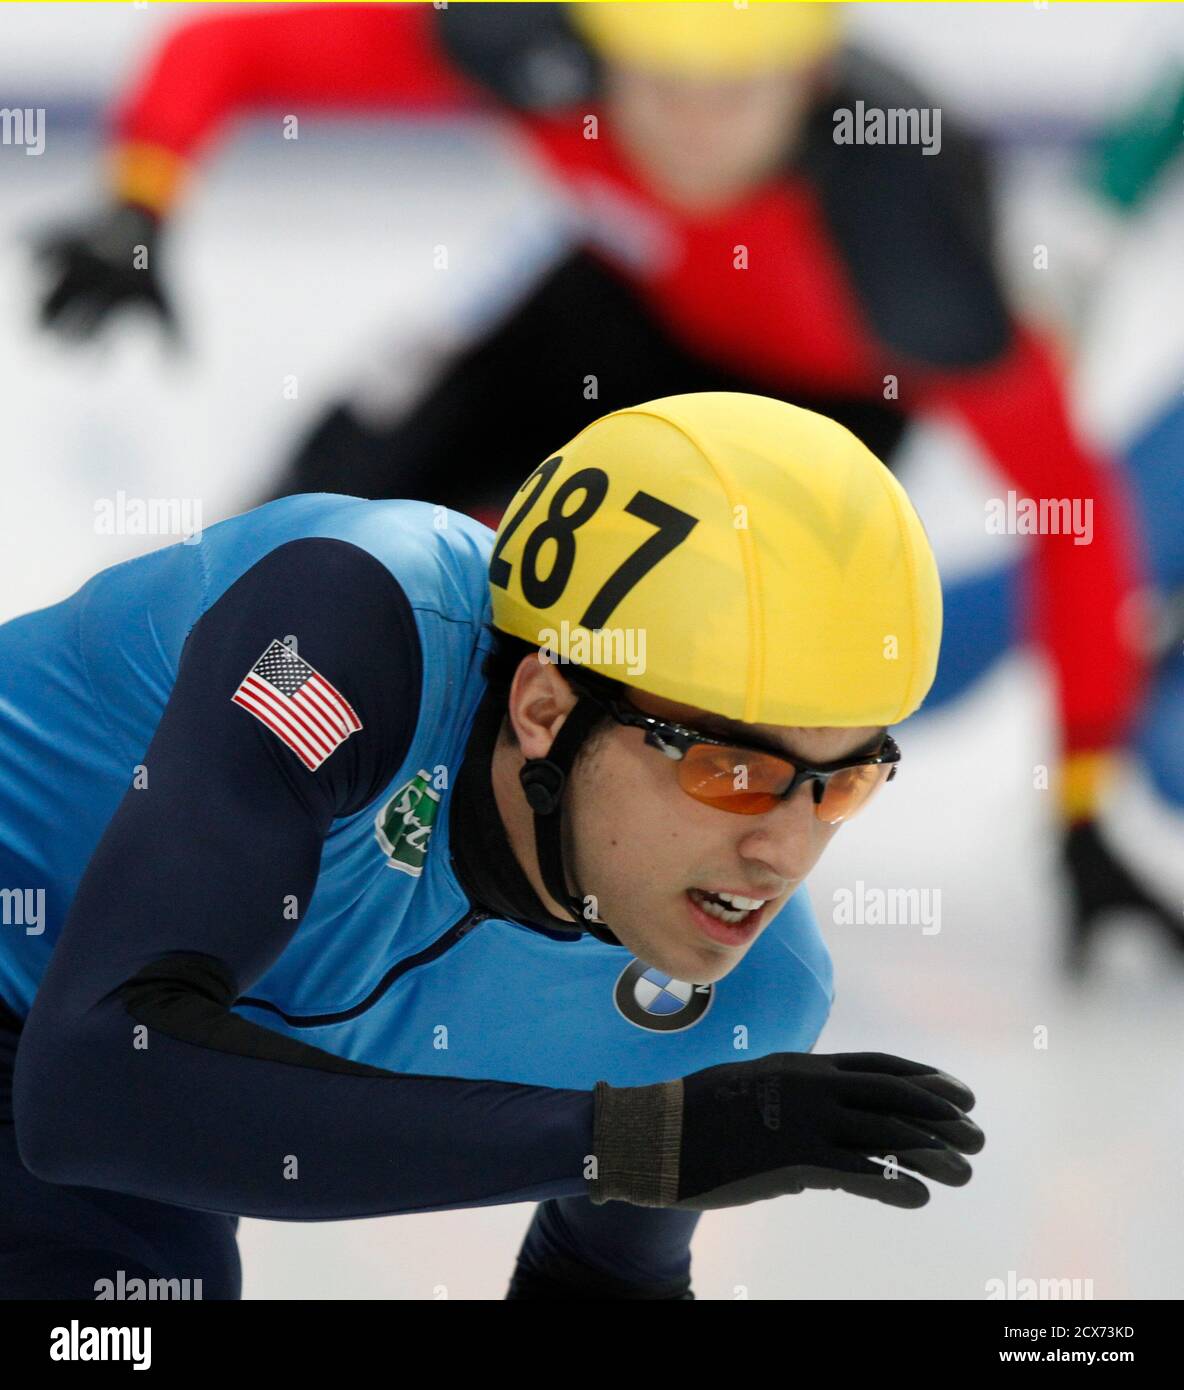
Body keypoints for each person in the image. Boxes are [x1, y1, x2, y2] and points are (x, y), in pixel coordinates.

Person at [32, 2, 1148, 967]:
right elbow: (236, 45)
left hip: (815, 404)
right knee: (327, 514)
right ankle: (161, 765)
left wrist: (1082, 809)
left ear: (808, 83)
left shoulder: (905, 237)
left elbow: (1074, 509)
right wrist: (141, 198)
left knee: (640, 676)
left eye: (733, 94)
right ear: (595, 52)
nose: (692, 129)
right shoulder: (532, 47)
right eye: (658, 86)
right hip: (623, 299)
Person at [1, 393, 983, 1301]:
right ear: (544, 708)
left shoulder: (752, 995)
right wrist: (628, 1140)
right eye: (730, 772)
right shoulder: (343, 634)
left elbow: (595, 1282)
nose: (782, 853)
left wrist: (636, 1150)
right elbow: (91, 1082)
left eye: (841, 781)